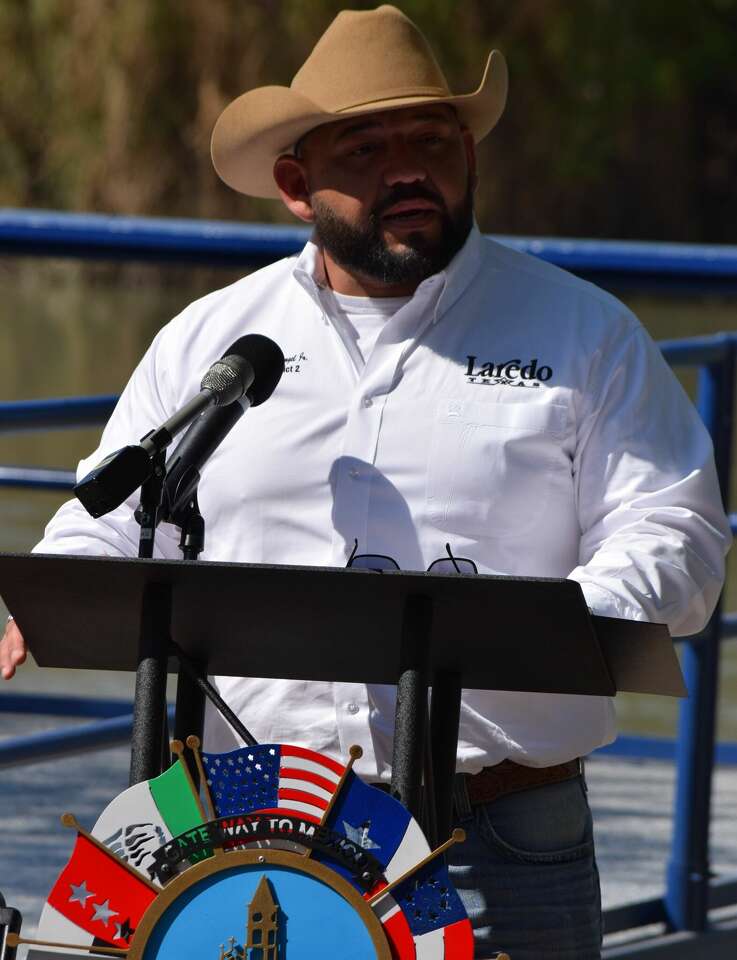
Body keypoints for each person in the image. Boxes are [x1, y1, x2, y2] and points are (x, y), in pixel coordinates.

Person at [1, 5, 731, 958]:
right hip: (245, 830)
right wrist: (48, 594)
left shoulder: (583, 335)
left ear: (469, 158)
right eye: (367, 148)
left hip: (493, 834)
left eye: (433, 140)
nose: (408, 168)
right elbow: (110, 515)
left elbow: (673, 528)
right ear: (296, 185)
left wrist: (563, 619)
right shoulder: (211, 338)